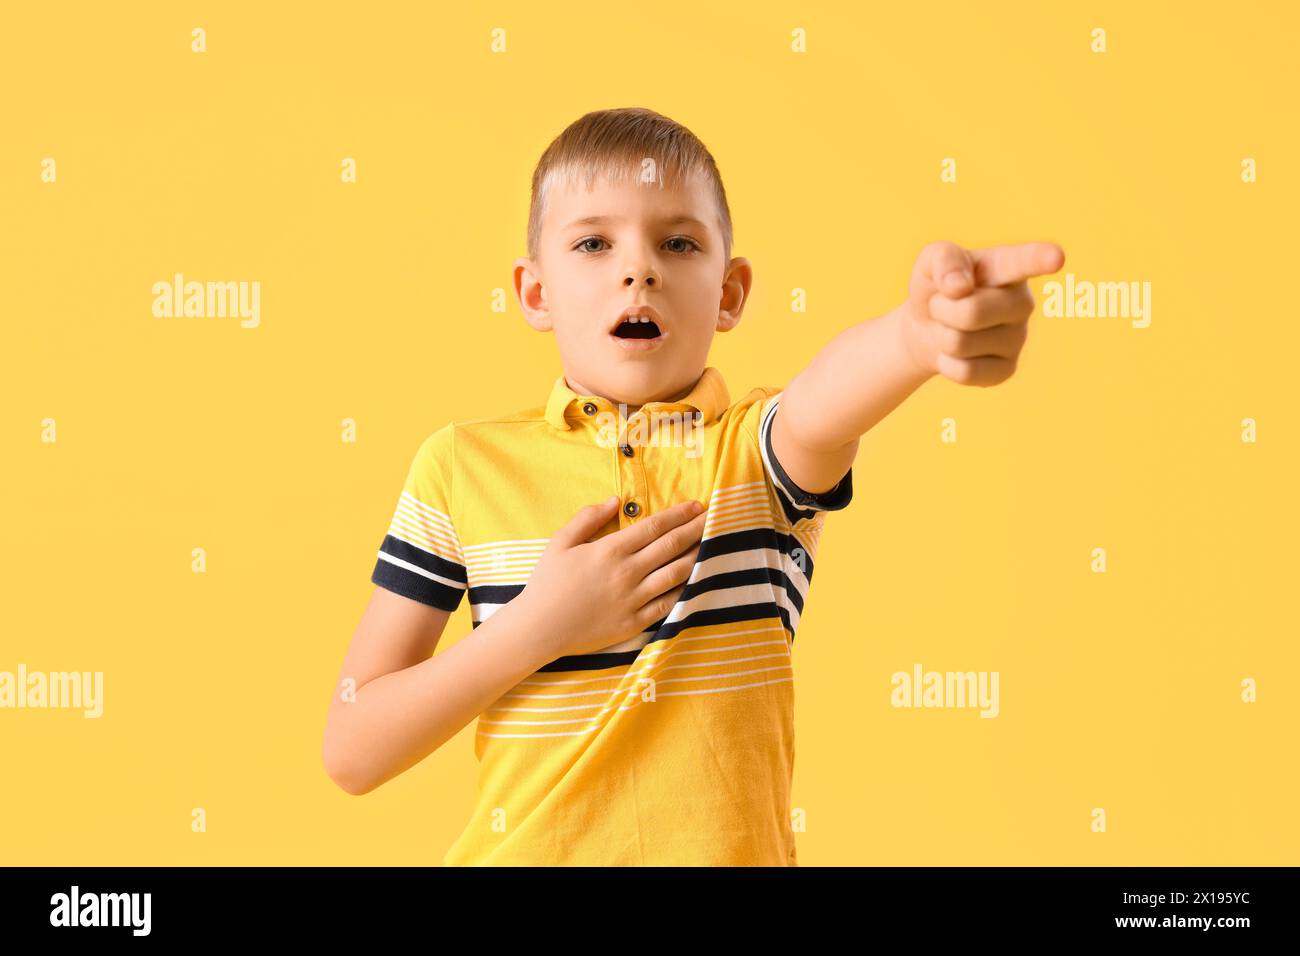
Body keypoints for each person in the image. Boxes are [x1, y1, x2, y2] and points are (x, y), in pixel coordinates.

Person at [322, 106, 1064, 865]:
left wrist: (915, 336)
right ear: (535, 293)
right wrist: (538, 628)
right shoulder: (460, 467)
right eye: (592, 243)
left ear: (730, 293)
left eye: (678, 243)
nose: (637, 268)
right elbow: (353, 749)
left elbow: (825, 401)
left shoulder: (757, 457)